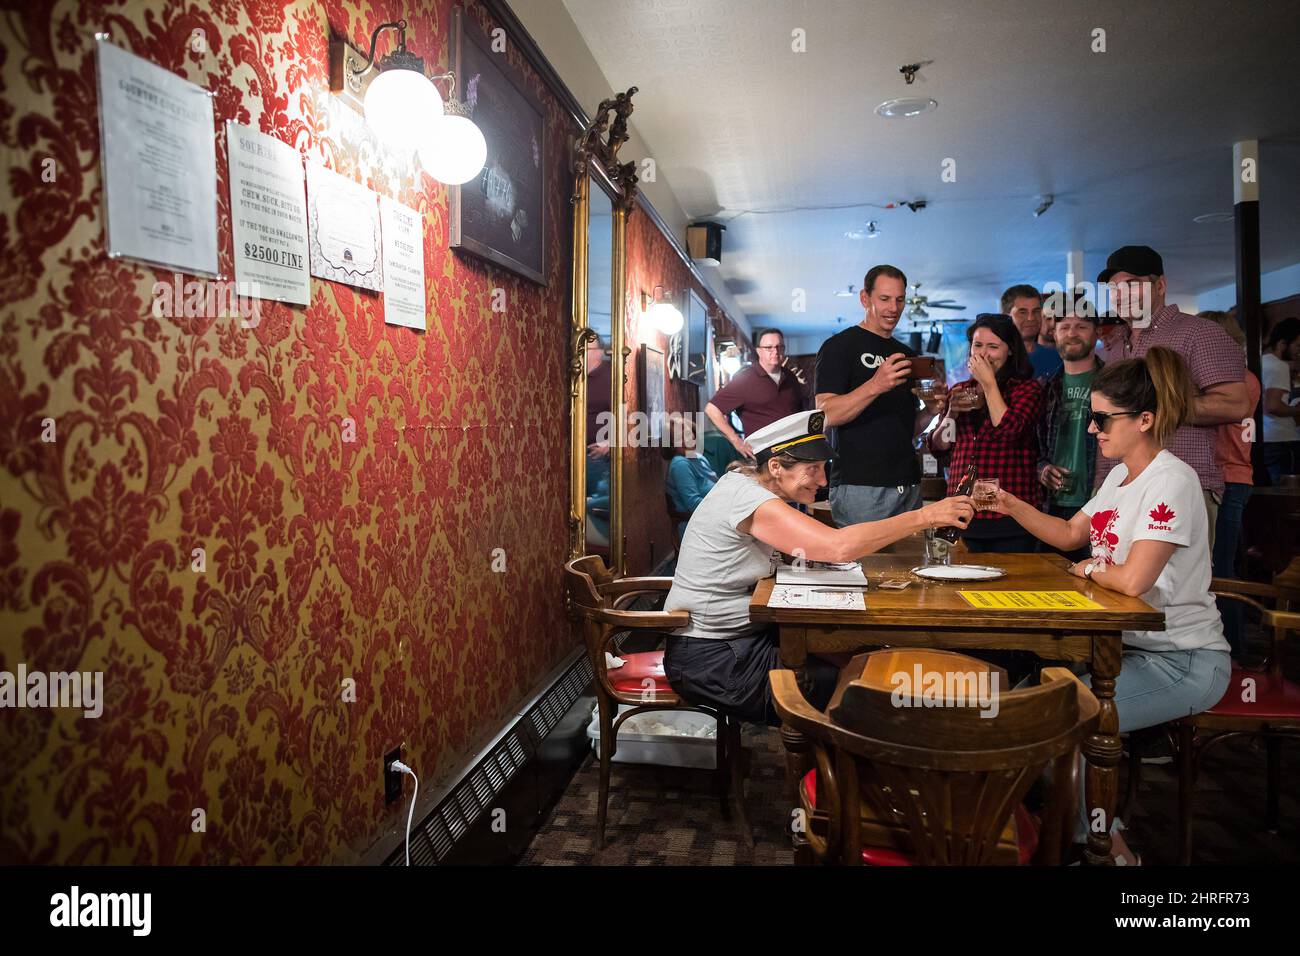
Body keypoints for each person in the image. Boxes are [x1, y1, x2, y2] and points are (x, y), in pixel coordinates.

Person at [988, 347, 1231, 865]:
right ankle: (1064, 833)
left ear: (1144, 420)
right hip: (1123, 653)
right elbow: (1069, 533)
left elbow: (1136, 579)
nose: (1093, 429)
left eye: (1102, 419)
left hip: (1184, 659)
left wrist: (1089, 569)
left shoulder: (1173, 481)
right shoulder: (1119, 477)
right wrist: (1009, 502)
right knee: (1024, 703)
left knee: (1061, 721)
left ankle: (1109, 851)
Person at [663, 410, 974, 724]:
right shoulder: (749, 498)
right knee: (857, 690)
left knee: (858, 659)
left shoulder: (744, 484)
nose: (823, 480)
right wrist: (926, 516)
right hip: (712, 659)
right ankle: (839, 753)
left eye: (823, 468)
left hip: (743, 639)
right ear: (775, 466)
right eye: (812, 469)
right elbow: (838, 547)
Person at [1095, 245, 1252, 549]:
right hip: (1118, 484)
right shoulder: (1115, 345)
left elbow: (1236, 404)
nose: (1121, 295)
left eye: (1132, 284)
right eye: (1114, 289)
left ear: (1160, 286)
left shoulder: (1200, 332)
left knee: (1176, 578)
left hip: (1181, 485)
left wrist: (1155, 406)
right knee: (1114, 574)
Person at [815, 264, 947, 525]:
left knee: (912, 555)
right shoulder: (839, 346)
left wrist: (930, 411)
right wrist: (875, 385)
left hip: (909, 484)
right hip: (860, 486)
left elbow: (906, 429)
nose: (893, 308)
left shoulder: (906, 354)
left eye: (899, 300)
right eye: (884, 299)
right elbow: (824, 414)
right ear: (865, 298)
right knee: (865, 555)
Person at [928, 313, 1044, 553]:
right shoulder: (960, 389)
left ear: (1010, 350)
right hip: (963, 512)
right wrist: (951, 414)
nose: (983, 354)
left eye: (993, 347)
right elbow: (940, 447)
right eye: (978, 345)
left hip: (1010, 516)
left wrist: (989, 383)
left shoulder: (1027, 389)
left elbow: (1009, 430)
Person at [1201, 312, 1260, 654]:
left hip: (1229, 477)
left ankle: (1232, 649)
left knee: (1221, 567)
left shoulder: (1237, 380)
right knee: (1218, 564)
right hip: (1230, 476)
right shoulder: (1242, 377)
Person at [1036, 303, 1103, 560]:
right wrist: (1042, 468)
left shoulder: (1113, 382)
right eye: (1064, 327)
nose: (1072, 333)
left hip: (1099, 500)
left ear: (1096, 333)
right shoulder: (1045, 387)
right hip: (1051, 505)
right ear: (1054, 334)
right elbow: (1035, 445)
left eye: (1081, 326)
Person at [705, 327, 804, 458]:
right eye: (769, 348)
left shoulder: (790, 377)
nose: (775, 351)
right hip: (763, 457)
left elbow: (799, 414)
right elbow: (712, 409)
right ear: (759, 351)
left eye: (779, 347)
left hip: (793, 454)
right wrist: (736, 441)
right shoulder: (746, 379)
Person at [664, 416, 718, 542]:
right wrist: (723, 507)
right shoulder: (680, 464)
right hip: (697, 530)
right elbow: (693, 504)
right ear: (672, 444)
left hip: (712, 520)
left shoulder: (698, 457)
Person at [1261, 317, 1300, 483]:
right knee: (1287, 490)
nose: (1299, 351)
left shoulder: (1260, 361)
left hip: (1265, 437)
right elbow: (1273, 405)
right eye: (1297, 345)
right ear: (1283, 343)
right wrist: (1297, 410)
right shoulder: (1279, 366)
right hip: (1281, 438)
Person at [1002, 284, 1062, 379]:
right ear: (1006, 317)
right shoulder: (996, 357)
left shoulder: (1057, 358)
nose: (1031, 318)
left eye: (1036, 311)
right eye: (1022, 312)